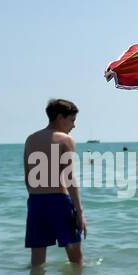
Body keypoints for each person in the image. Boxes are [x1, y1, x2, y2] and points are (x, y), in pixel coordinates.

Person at [24, 98, 85, 266]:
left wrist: (38, 199)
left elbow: (28, 176)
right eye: (72, 120)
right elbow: (70, 177)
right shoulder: (65, 140)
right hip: (59, 202)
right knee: (76, 260)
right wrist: (80, 212)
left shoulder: (31, 139)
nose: (74, 125)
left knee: (37, 262)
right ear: (60, 117)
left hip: (36, 203)